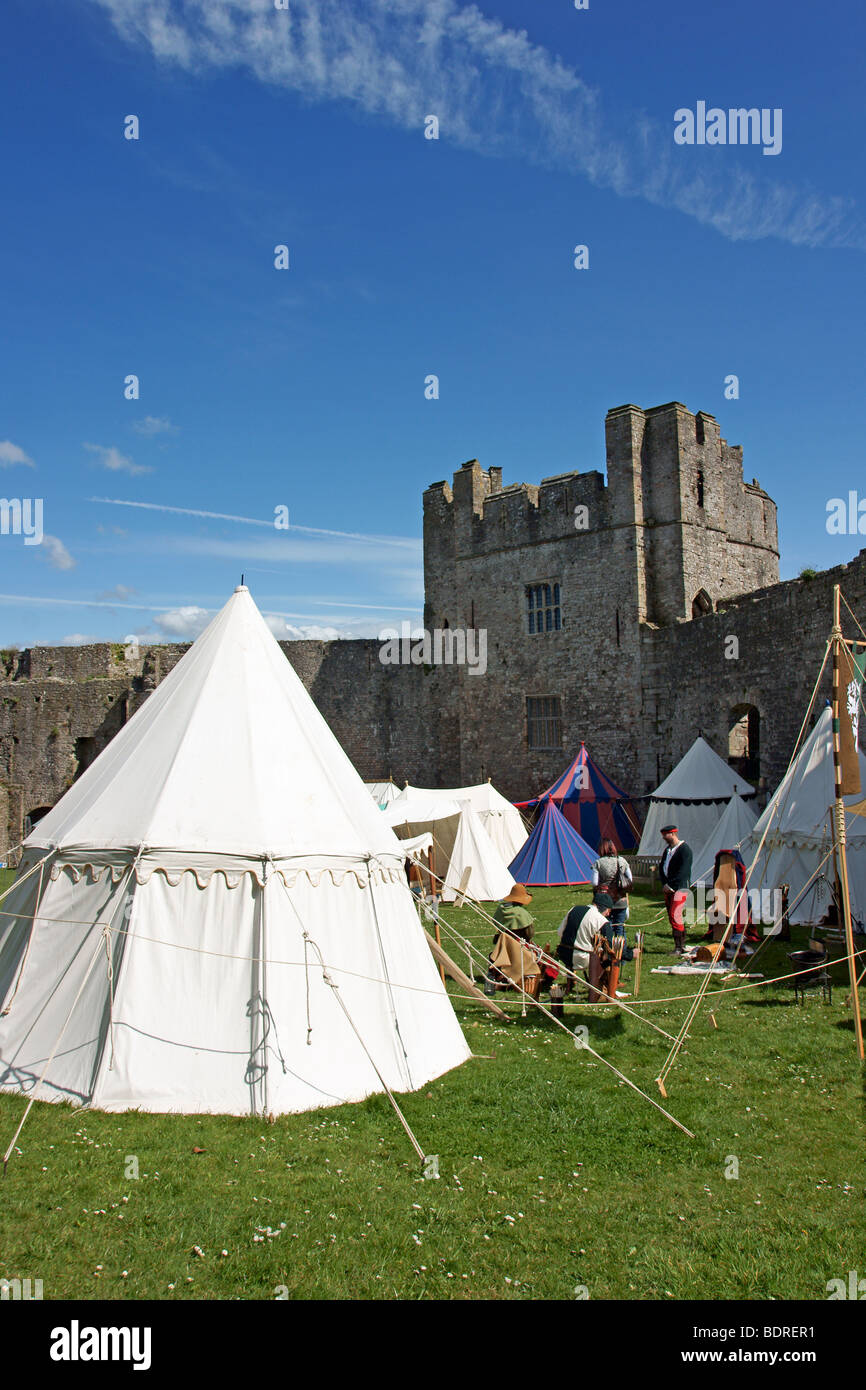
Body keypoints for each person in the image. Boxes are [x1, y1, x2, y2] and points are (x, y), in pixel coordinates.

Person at [659, 824, 693, 954]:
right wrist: (664, 884)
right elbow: (662, 868)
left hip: (679, 888)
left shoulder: (685, 850)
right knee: (672, 916)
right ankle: (679, 945)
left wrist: (671, 885)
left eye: (665, 835)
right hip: (668, 888)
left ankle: (679, 947)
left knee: (675, 915)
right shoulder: (667, 850)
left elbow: (683, 871)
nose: (663, 837)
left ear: (672, 833)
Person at [591, 838, 633, 928]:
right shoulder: (622, 860)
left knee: (606, 927)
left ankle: (608, 942)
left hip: (604, 900)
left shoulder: (598, 863)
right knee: (620, 927)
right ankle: (621, 943)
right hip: (620, 898)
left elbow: (594, 883)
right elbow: (630, 879)